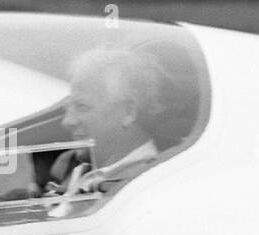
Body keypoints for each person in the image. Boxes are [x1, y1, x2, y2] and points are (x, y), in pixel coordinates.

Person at [46, 46, 168, 213]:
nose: (67, 121)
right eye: (68, 107)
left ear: (128, 111)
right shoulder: (81, 167)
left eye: (82, 106)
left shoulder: (141, 187)